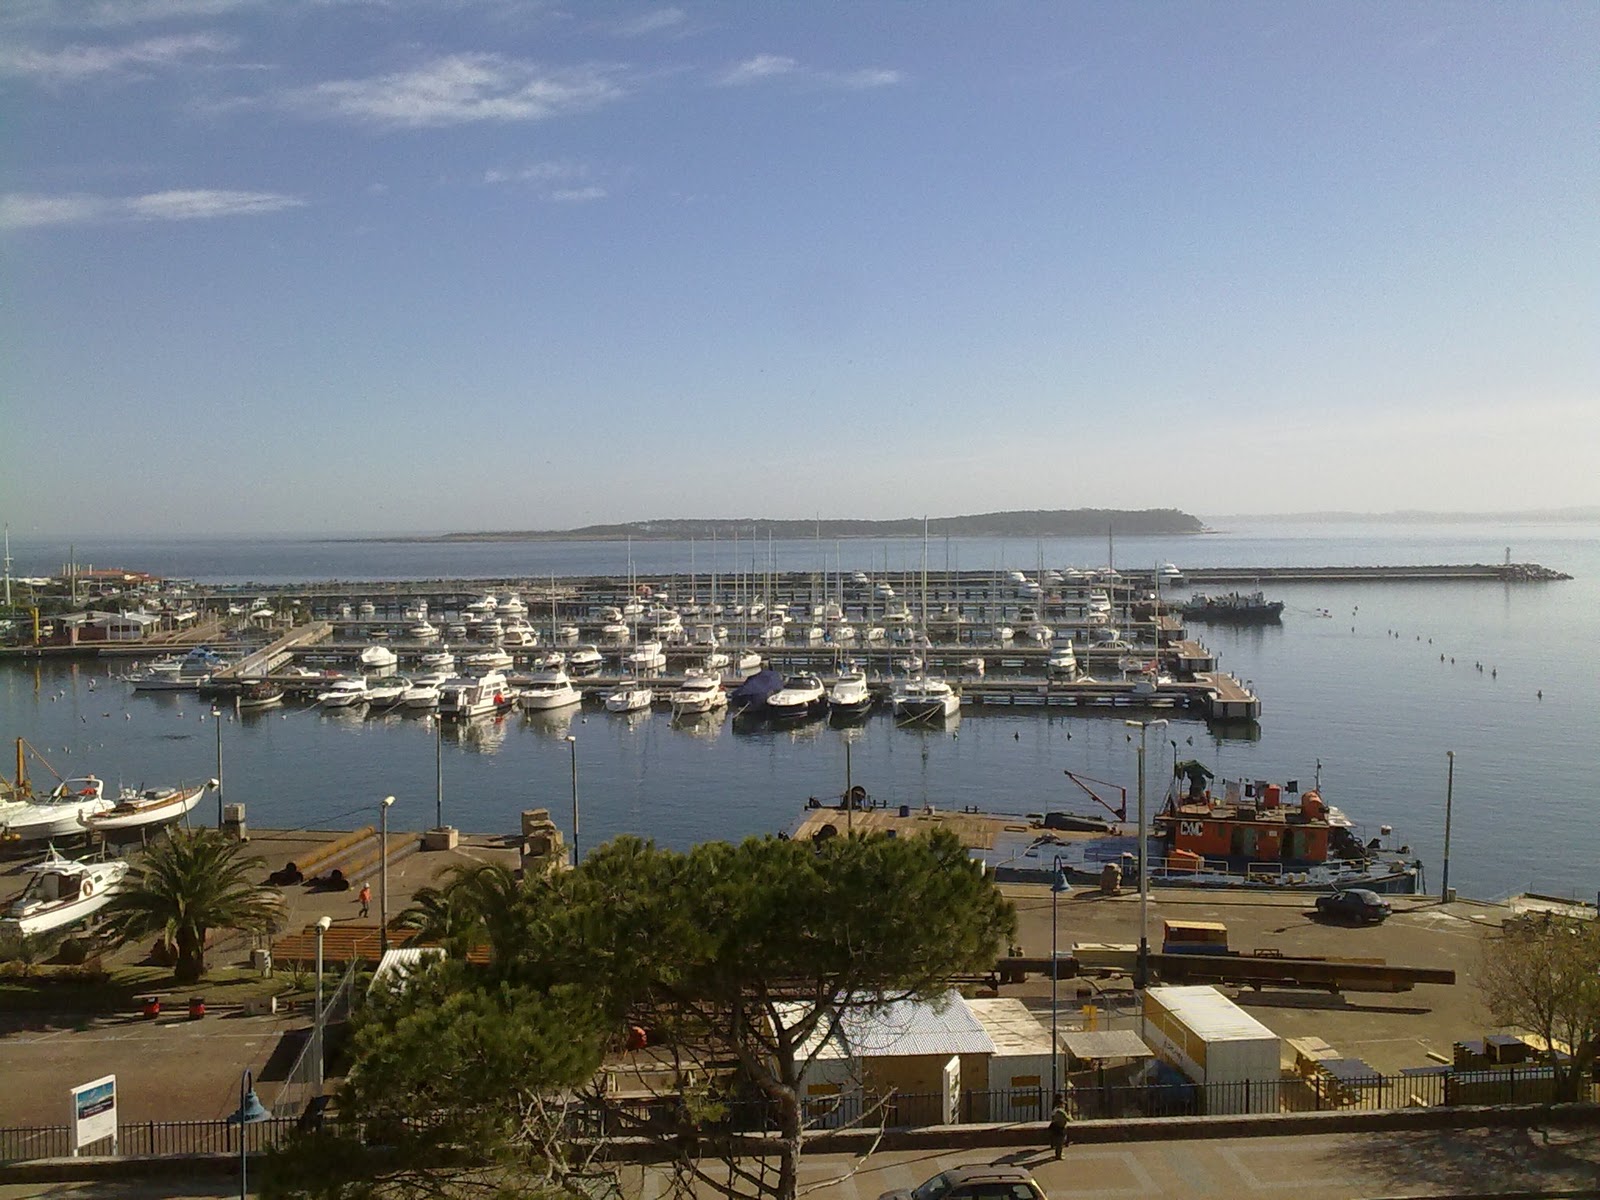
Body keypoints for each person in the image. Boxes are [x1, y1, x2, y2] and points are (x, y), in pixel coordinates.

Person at [1048, 1091, 1071, 1160]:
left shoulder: (1055, 1109)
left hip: (1054, 1126)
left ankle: (1056, 1151)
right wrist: (1069, 1114)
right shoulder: (1061, 1111)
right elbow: (1069, 1119)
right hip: (1060, 1127)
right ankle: (1058, 1155)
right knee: (1060, 1142)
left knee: (1057, 1140)